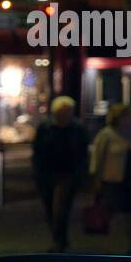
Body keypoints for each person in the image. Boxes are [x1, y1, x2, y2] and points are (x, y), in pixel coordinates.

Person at [32, 96, 88, 252]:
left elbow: (83, 151)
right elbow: (37, 150)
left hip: (68, 174)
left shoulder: (77, 128)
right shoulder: (45, 127)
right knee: (50, 207)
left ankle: (59, 240)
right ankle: (59, 238)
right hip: (47, 173)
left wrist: (81, 172)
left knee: (61, 208)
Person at [90, 103, 131, 254]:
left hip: (130, 180)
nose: (127, 119)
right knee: (113, 214)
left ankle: (130, 246)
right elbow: (98, 158)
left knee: (130, 215)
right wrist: (97, 180)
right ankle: (113, 247)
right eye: (124, 116)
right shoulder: (106, 134)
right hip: (113, 181)